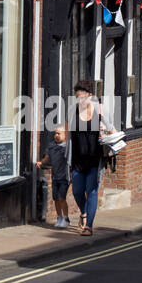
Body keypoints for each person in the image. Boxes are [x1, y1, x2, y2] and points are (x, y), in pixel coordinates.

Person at [69, 79, 112, 237]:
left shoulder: (100, 112)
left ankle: (89, 226)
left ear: (90, 96)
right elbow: (69, 138)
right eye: (77, 98)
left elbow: (112, 130)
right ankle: (84, 212)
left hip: (95, 160)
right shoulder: (73, 112)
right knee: (77, 191)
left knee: (91, 191)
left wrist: (108, 136)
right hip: (77, 161)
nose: (80, 101)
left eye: (82, 98)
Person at [35, 123, 70, 229]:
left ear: (65, 135)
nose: (56, 135)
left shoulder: (68, 146)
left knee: (62, 197)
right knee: (55, 198)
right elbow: (47, 157)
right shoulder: (51, 145)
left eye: (59, 133)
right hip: (55, 176)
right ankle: (59, 218)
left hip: (65, 177)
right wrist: (41, 163)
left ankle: (66, 218)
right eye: (55, 133)